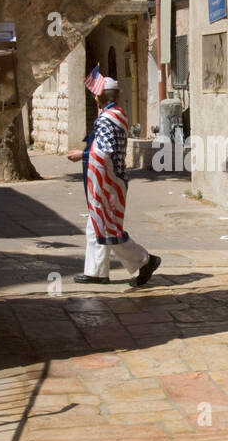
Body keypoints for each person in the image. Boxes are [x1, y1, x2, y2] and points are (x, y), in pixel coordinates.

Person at [67, 77, 161, 287]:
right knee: (95, 224)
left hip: (108, 181)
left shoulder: (108, 118)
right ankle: (96, 272)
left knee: (107, 228)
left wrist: (82, 155)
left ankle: (145, 260)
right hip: (109, 179)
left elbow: (105, 151)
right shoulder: (114, 115)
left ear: (97, 97)